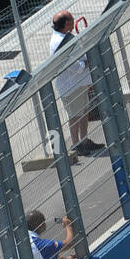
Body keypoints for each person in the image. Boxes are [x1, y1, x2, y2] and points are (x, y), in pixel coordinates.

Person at [49, 11, 101, 154]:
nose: (74, 22)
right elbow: (70, 65)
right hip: (71, 86)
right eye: (72, 20)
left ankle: (84, 140)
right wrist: (85, 63)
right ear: (66, 24)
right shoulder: (58, 42)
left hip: (78, 83)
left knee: (84, 112)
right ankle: (76, 144)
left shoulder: (65, 36)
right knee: (75, 116)